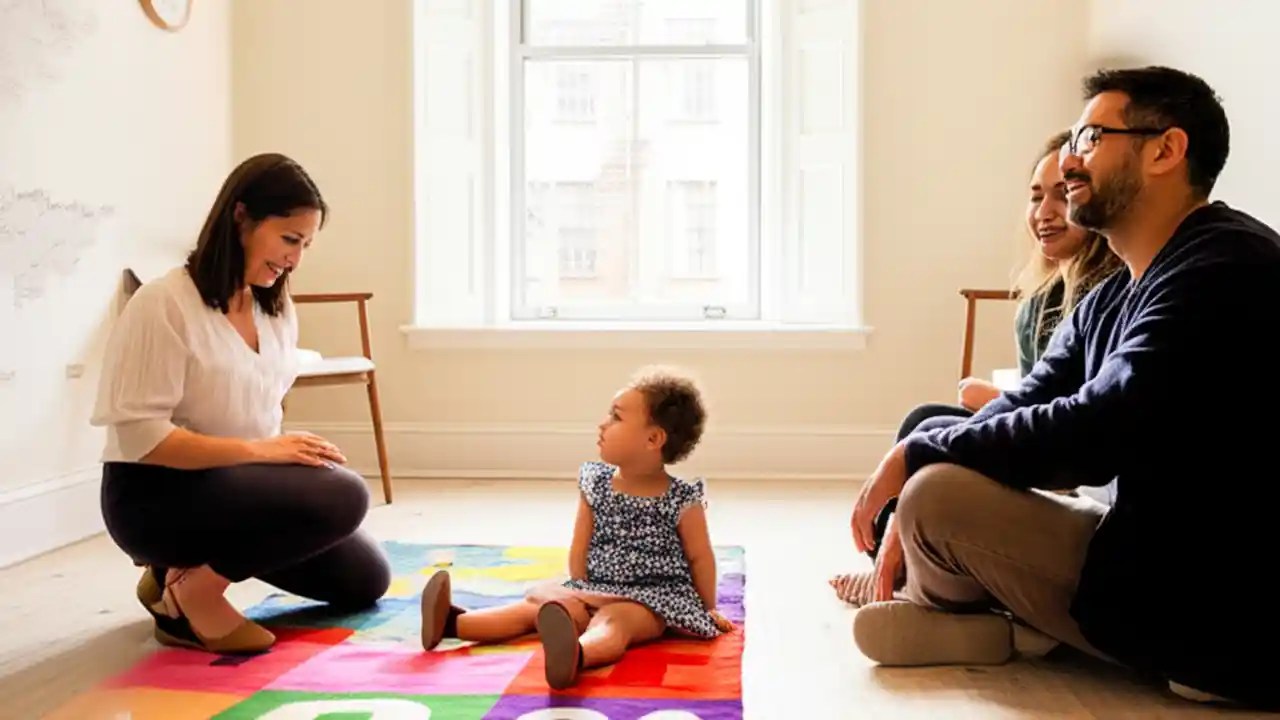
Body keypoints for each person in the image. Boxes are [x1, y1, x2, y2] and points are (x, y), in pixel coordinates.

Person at [848, 66, 1280, 710]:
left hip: (1216, 607)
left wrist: (918, 455)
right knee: (936, 459)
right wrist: (926, 442)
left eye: (1090, 139)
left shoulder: (1226, 265)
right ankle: (993, 623)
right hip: (1149, 549)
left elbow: (1095, 431)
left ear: (1166, 150)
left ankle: (982, 619)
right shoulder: (1113, 291)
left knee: (935, 491)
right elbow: (1031, 400)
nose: (1072, 162)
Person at [90, 153, 390, 655]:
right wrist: (263, 453)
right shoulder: (163, 304)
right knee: (346, 494)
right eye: (289, 239)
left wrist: (277, 461)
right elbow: (142, 439)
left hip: (230, 491)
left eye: (305, 245)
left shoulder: (273, 307)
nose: (295, 259)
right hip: (153, 497)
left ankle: (172, 571)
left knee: (365, 579)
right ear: (241, 218)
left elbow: (258, 411)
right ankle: (191, 593)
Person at [829, 130, 1122, 603]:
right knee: (924, 423)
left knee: (927, 430)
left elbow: (1074, 423)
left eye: (1062, 195)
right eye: (1035, 196)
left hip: (1071, 469)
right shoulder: (1043, 300)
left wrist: (989, 399)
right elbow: (1037, 394)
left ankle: (914, 584)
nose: (1044, 212)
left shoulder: (1107, 294)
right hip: (1048, 443)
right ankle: (901, 576)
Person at [418, 367, 735, 689]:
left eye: (616, 417)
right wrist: (578, 590)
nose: (602, 424)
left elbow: (700, 558)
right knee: (538, 607)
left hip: (651, 599)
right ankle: (454, 623)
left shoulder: (681, 499)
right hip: (592, 585)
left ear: (653, 439)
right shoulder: (595, 483)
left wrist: (706, 607)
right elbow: (580, 542)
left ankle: (577, 654)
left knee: (615, 621)